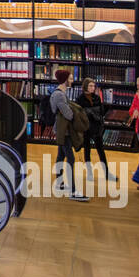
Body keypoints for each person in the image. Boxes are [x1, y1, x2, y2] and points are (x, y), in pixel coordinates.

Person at [51, 68, 88, 202]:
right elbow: (69, 114)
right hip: (64, 131)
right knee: (70, 159)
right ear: (65, 80)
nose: (72, 81)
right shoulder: (60, 95)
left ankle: (60, 183)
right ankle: (73, 191)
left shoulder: (59, 93)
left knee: (61, 156)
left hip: (62, 129)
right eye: (70, 78)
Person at [78, 78, 115, 181]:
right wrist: (91, 112)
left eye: (93, 86)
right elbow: (80, 114)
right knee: (87, 150)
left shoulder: (97, 98)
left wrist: (90, 112)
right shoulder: (80, 98)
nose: (92, 88)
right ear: (85, 86)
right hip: (86, 128)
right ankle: (89, 173)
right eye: (90, 86)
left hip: (96, 128)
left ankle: (107, 173)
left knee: (101, 151)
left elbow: (101, 112)